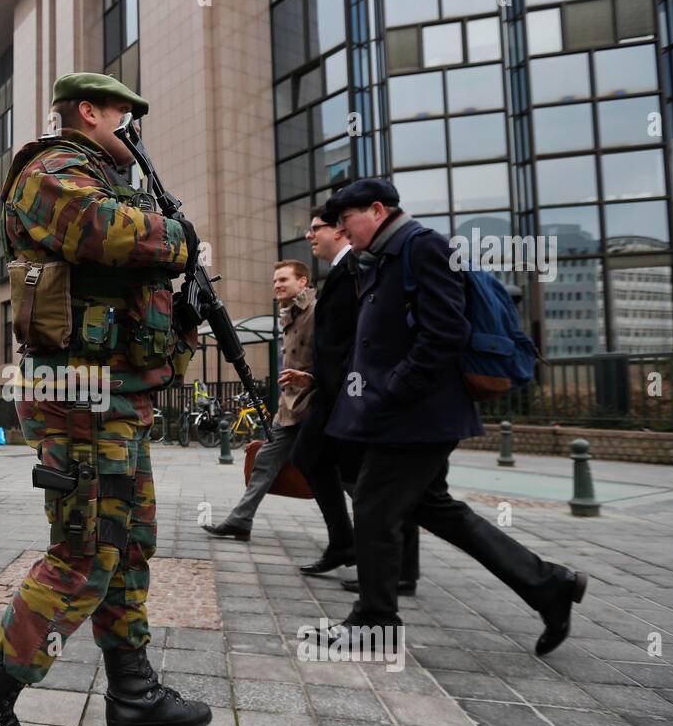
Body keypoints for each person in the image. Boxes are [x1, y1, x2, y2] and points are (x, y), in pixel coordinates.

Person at [0, 72, 210, 726]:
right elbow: (103, 233)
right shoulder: (52, 172)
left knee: (128, 547)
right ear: (88, 111)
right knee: (83, 556)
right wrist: (180, 238)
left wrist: (181, 320)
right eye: (125, 115)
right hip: (77, 400)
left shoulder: (113, 180)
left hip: (116, 398)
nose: (134, 129)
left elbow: (129, 307)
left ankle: (135, 695)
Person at [318, 178, 586, 655]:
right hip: (407, 413)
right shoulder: (389, 253)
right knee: (436, 509)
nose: (343, 230)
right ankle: (550, 585)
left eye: (346, 220)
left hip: (415, 415)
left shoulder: (423, 247)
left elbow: (445, 331)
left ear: (376, 210)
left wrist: (394, 390)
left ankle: (375, 622)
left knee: (376, 509)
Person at [289, 209, 420, 594]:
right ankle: (347, 543)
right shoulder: (343, 272)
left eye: (316, 228)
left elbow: (364, 337)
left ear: (339, 230)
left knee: (374, 480)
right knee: (313, 459)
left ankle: (397, 567)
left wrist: (355, 388)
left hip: (352, 393)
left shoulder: (358, 269)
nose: (310, 235)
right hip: (334, 390)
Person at [201, 260, 316, 541]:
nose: (276, 285)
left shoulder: (315, 312)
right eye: (275, 280)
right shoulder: (290, 313)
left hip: (313, 407)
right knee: (264, 461)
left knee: (335, 474)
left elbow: (331, 357)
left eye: (283, 280)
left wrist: (312, 379)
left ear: (302, 282)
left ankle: (373, 529)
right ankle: (240, 520)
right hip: (291, 408)